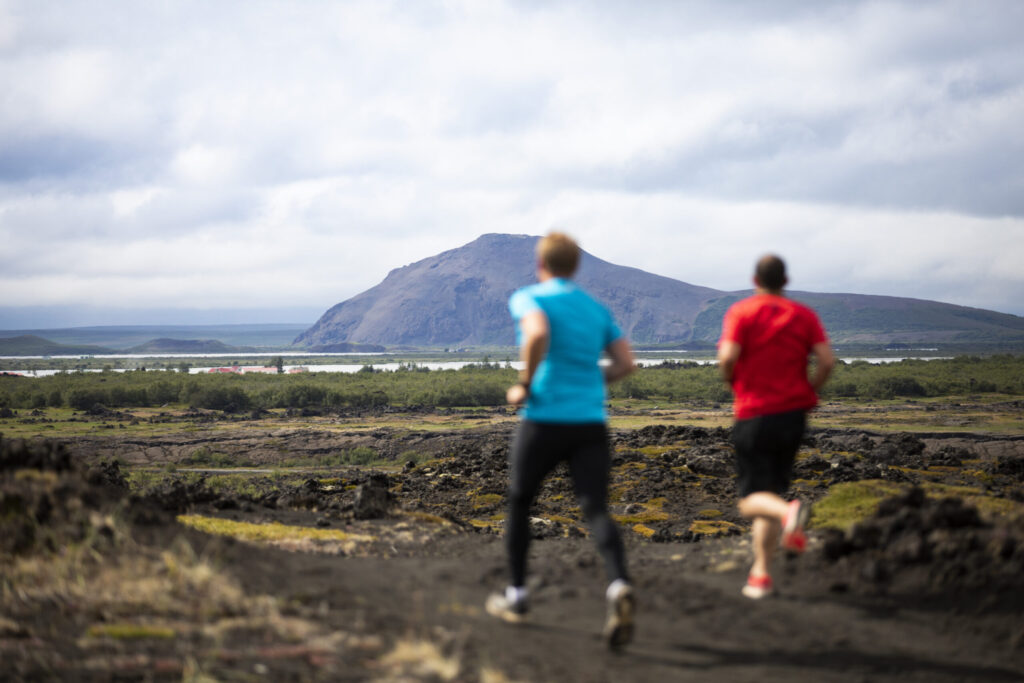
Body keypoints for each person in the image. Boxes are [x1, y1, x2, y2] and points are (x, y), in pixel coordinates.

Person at [485, 232, 638, 650]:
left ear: (542, 264)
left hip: (545, 418)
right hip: (590, 422)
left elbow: (536, 335)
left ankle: (516, 595)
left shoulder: (531, 297)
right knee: (595, 507)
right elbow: (626, 363)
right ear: (576, 265)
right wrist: (591, 380)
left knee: (520, 499)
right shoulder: (594, 308)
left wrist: (524, 384)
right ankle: (619, 584)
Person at [717, 254, 835, 599]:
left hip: (754, 413)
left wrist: (732, 381)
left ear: (756, 279)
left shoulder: (742, 312)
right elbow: (827, 360)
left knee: (750, 501)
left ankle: (789, 513)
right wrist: (811, 389)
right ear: (785, 281)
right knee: (769, 492)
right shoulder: (803, 314)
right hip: (794, 416)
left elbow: (727, 357)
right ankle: (761, 574)